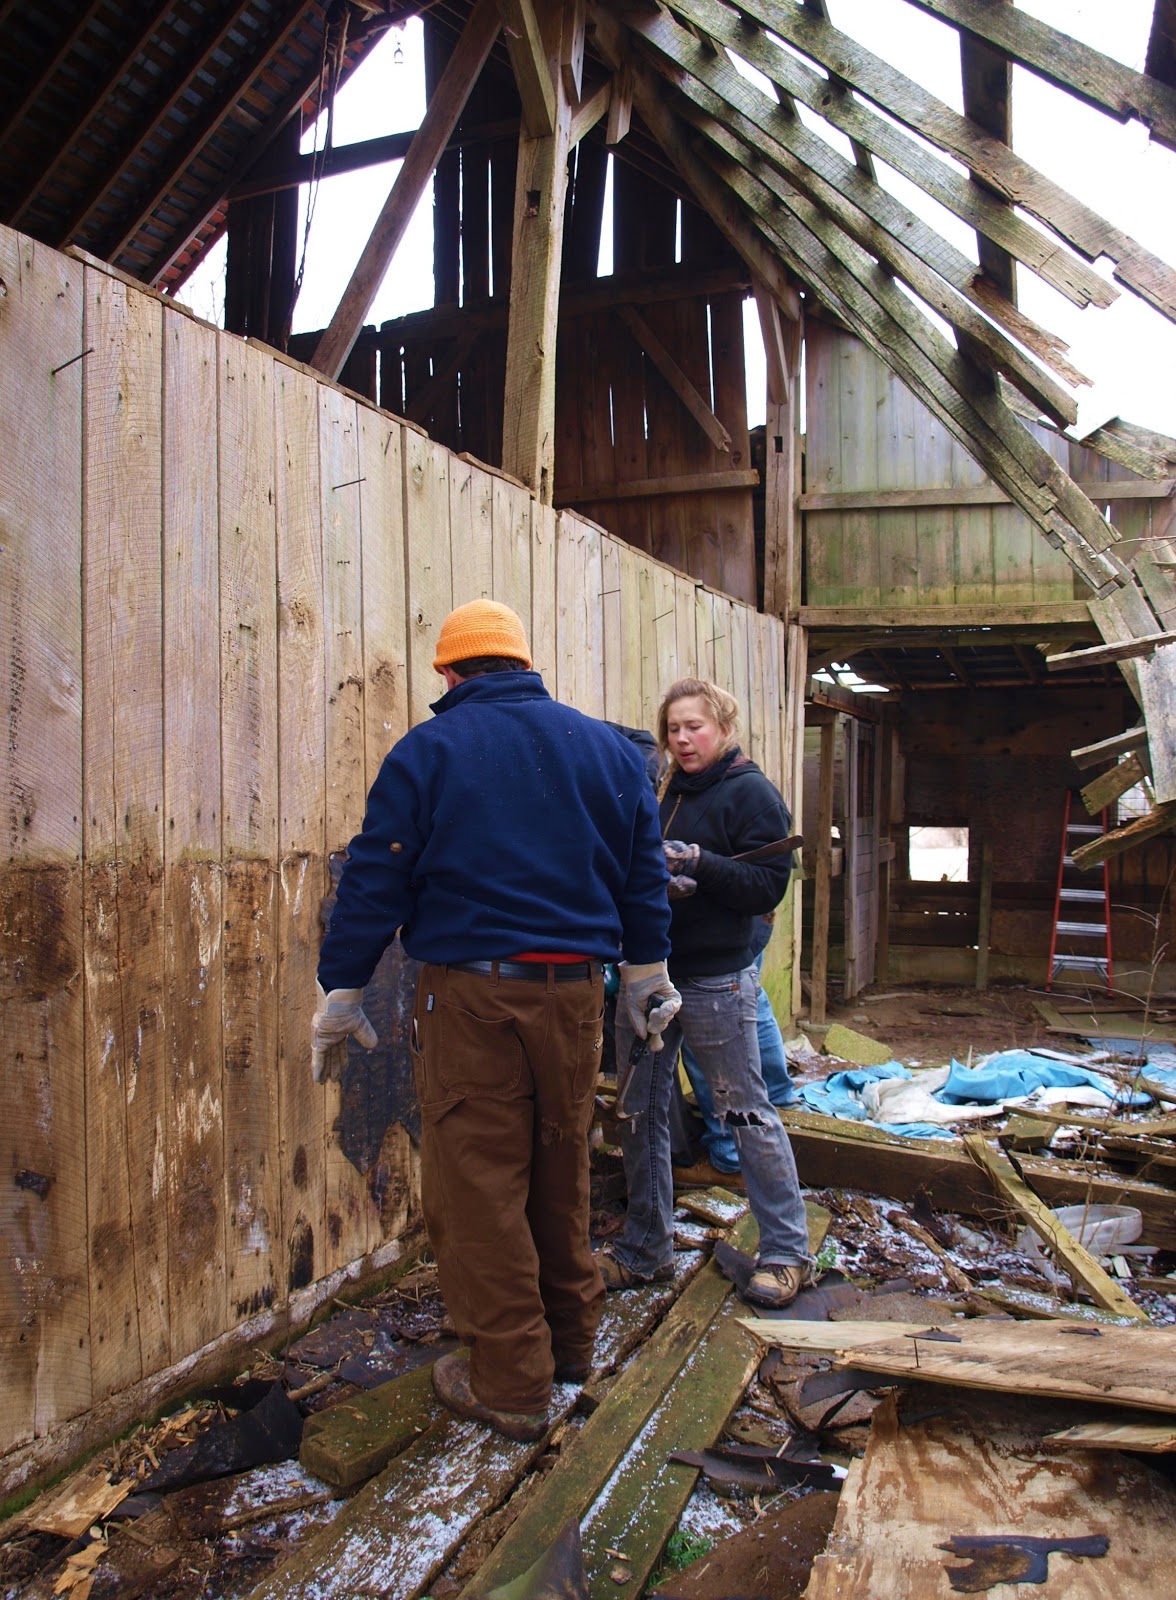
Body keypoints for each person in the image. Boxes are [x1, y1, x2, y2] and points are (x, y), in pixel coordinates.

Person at [311, 600, 679, 1442]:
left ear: (449, 673)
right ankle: (570, 1343)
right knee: (561, 1159)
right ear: (523, 662)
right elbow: (643, 874)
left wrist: (343, 987)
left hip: (471, 998)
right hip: (577, 996)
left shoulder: (429, 749)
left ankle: (512, 1381)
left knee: (479, 1182)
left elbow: (377, 877)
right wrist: (647, 973)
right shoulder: (608, 750)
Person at [598, 678, 814, 1309]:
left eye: (695, 726)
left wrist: (700, 863)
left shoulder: (751, 793)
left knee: (745, 1113)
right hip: (650, 972)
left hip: (716, 977)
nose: (683, 739)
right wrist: (658, 878)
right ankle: (646, 1248)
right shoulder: (666, 789)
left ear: (723, 727)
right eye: (674, 730)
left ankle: (786, 1252)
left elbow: (766, 887)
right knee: (639, 1112)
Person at [676, 914, 798, 1177]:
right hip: (748, 921)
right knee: (749, 997)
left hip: (711, 934)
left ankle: (730, 1146)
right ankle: (780, 1099)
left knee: (705, 1024)